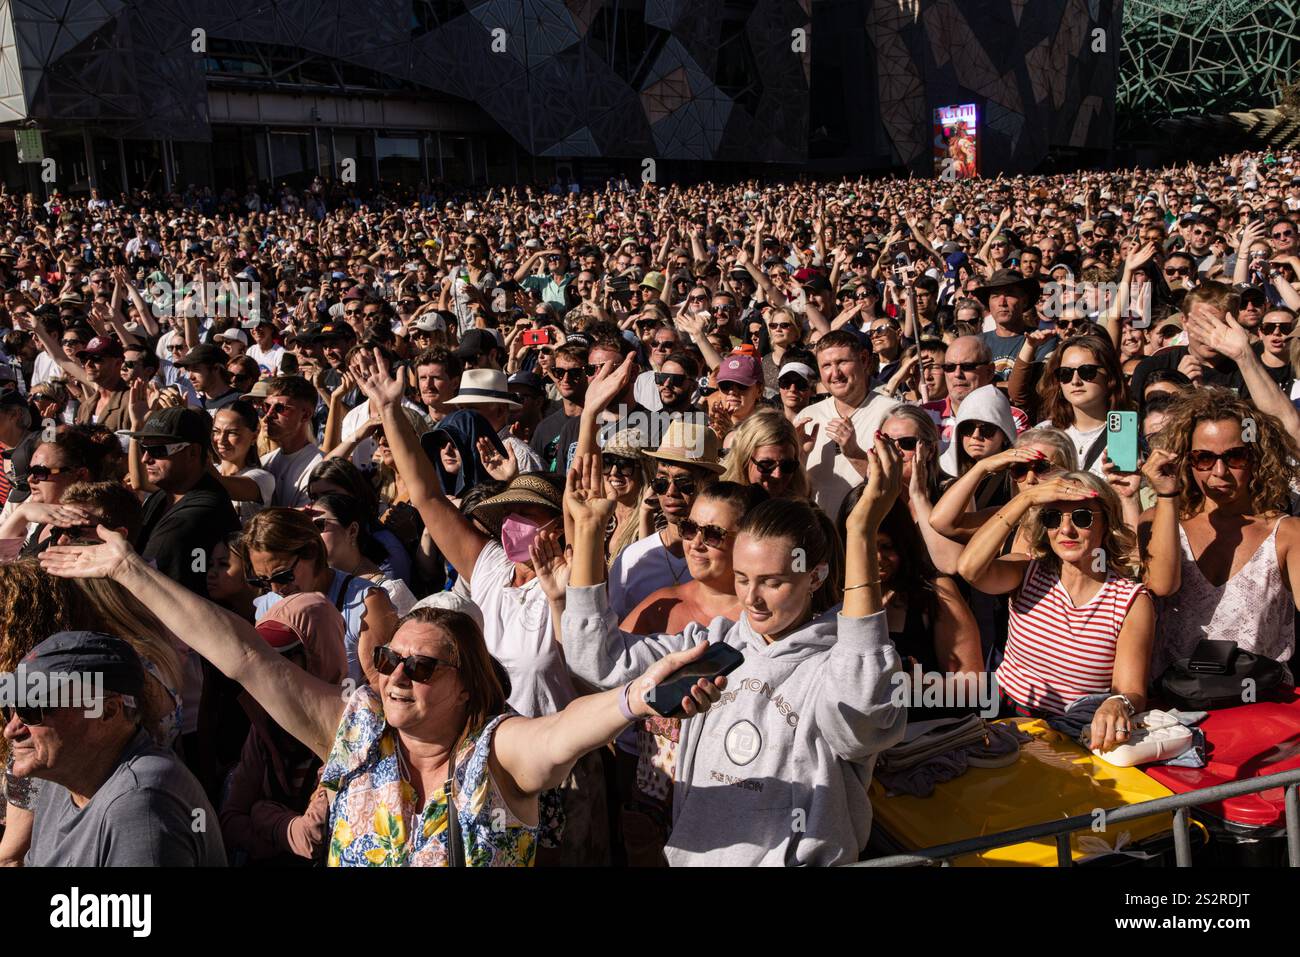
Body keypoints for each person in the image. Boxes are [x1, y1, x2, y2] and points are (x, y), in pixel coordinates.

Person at [39, 529, 725, 867]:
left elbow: (568, 728)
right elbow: (243, 654)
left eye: (419, 666)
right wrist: (129, 569)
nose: (394, 672)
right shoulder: (357, 732)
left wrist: (635, 696)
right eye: (391, 656)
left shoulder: (497, 752)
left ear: (466, 683)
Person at [561, 440, 907, 866]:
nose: (753, 598)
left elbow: (863, 719)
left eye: (772, 581)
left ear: (814, 576)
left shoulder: (837, 664)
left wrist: (861, 533)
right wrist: (590, 530)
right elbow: (598, 659)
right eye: (743, 579)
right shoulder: (714, 646)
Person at [957, 471, 1154, 752]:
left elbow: (1130, 689)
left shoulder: (1129, 600)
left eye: (1082, 517)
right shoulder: (1026, 572)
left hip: (1073, 734)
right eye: (1052, 518)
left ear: (1107, 524)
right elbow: (970, 569)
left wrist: (1117, 704)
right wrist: (1026, 499)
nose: (1066, 530)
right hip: (1002, 720)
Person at [9, 631, 226, 866]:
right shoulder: (62, 781)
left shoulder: (140, 803)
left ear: (108, 711)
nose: (10, 730)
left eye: (31, 710)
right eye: (10, 709)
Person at [1140, 387, 1300, 680]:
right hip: (1175, 707)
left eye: (1235, 456)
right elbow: (1162, 586)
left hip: (1259, 704)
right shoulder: (1158, 520)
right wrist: (1167, 495)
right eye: (1204, 458)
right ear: (1186, 460)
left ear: (1256, 457)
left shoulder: (1287, 533)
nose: (1220, 471)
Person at [219, 593, 346, 866]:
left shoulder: (350, 731)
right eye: (263, 659)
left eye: (285, 658)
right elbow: (230, 820)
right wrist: (283, 833)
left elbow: (313, 838)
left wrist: (261, 812)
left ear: (317, 657)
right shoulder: (264, 726)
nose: (269, 672)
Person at [242, 507, 397, 686]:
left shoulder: (367, 603)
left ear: (312, 551)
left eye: (283, 575)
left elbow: (381, 688)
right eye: (262, 581)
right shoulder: (268, 605)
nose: (276, 589)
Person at [608, 419, 723, 619]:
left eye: (684, 482)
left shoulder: (723, 557)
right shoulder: (632, 558)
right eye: (661, 482)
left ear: (710, 484)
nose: (670, 492)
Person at [797, 329, 899, 519]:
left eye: (842, 362)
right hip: (821, 535)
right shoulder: (808, 416)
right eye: (826, 365)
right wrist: (799, 458)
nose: (835, 373)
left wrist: (854, 453)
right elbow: (796, 490)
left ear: (865, 360)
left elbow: (900, 487)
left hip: (872, 533)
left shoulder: (892, 414)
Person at [1034, 334, 1133, 475]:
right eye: (1065, 373)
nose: (1075, 381)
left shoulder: (1128, 432)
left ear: (1110, 376)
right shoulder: (1043, 432)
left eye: (1087, 371)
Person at [308, 492, 417, 616]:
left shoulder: (389, 593)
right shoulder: (311, 583)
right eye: (308, 527)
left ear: (352, 531)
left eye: (319, 526)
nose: (312, 536)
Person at [260, 376, 323, 507]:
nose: (267, 416)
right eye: (266, 406)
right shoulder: (265, 461)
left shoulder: (318, 467)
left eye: (279, 409)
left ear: (305, 415)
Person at [720, 407, 810, 499]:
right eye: (767, 465)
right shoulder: (719, 506)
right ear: (744, 459)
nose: (777, 475)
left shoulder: (804, 510)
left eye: (787, 465)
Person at [213, 401, 276, 523]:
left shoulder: (262, 478)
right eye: (216, 431)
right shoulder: (214, 470)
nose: (221, 440)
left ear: (253, 437)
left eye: (232, 433)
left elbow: (220, 485)